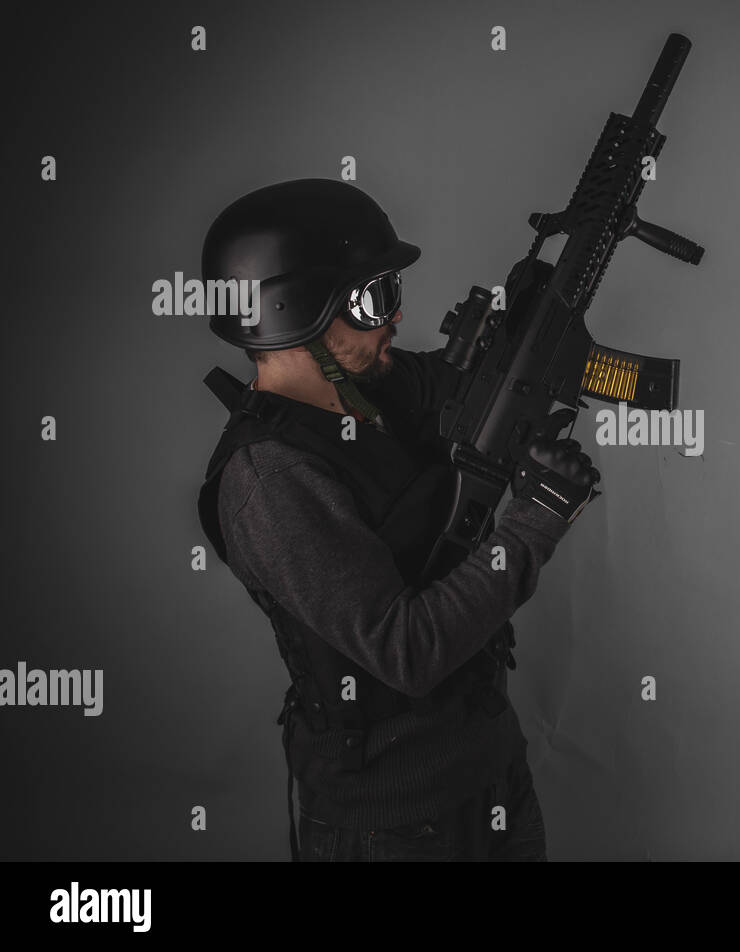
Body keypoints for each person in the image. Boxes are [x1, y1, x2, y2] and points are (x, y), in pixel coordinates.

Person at [195, 178, 600, 861]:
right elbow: (406, 649)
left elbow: (469, 385)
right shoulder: (269, 478)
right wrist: (539, 518)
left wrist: (534, 315)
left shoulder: (374, 386)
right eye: (374, 296)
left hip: (491, 777)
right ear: (298, 308)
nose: (394, 317)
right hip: (392, 827)